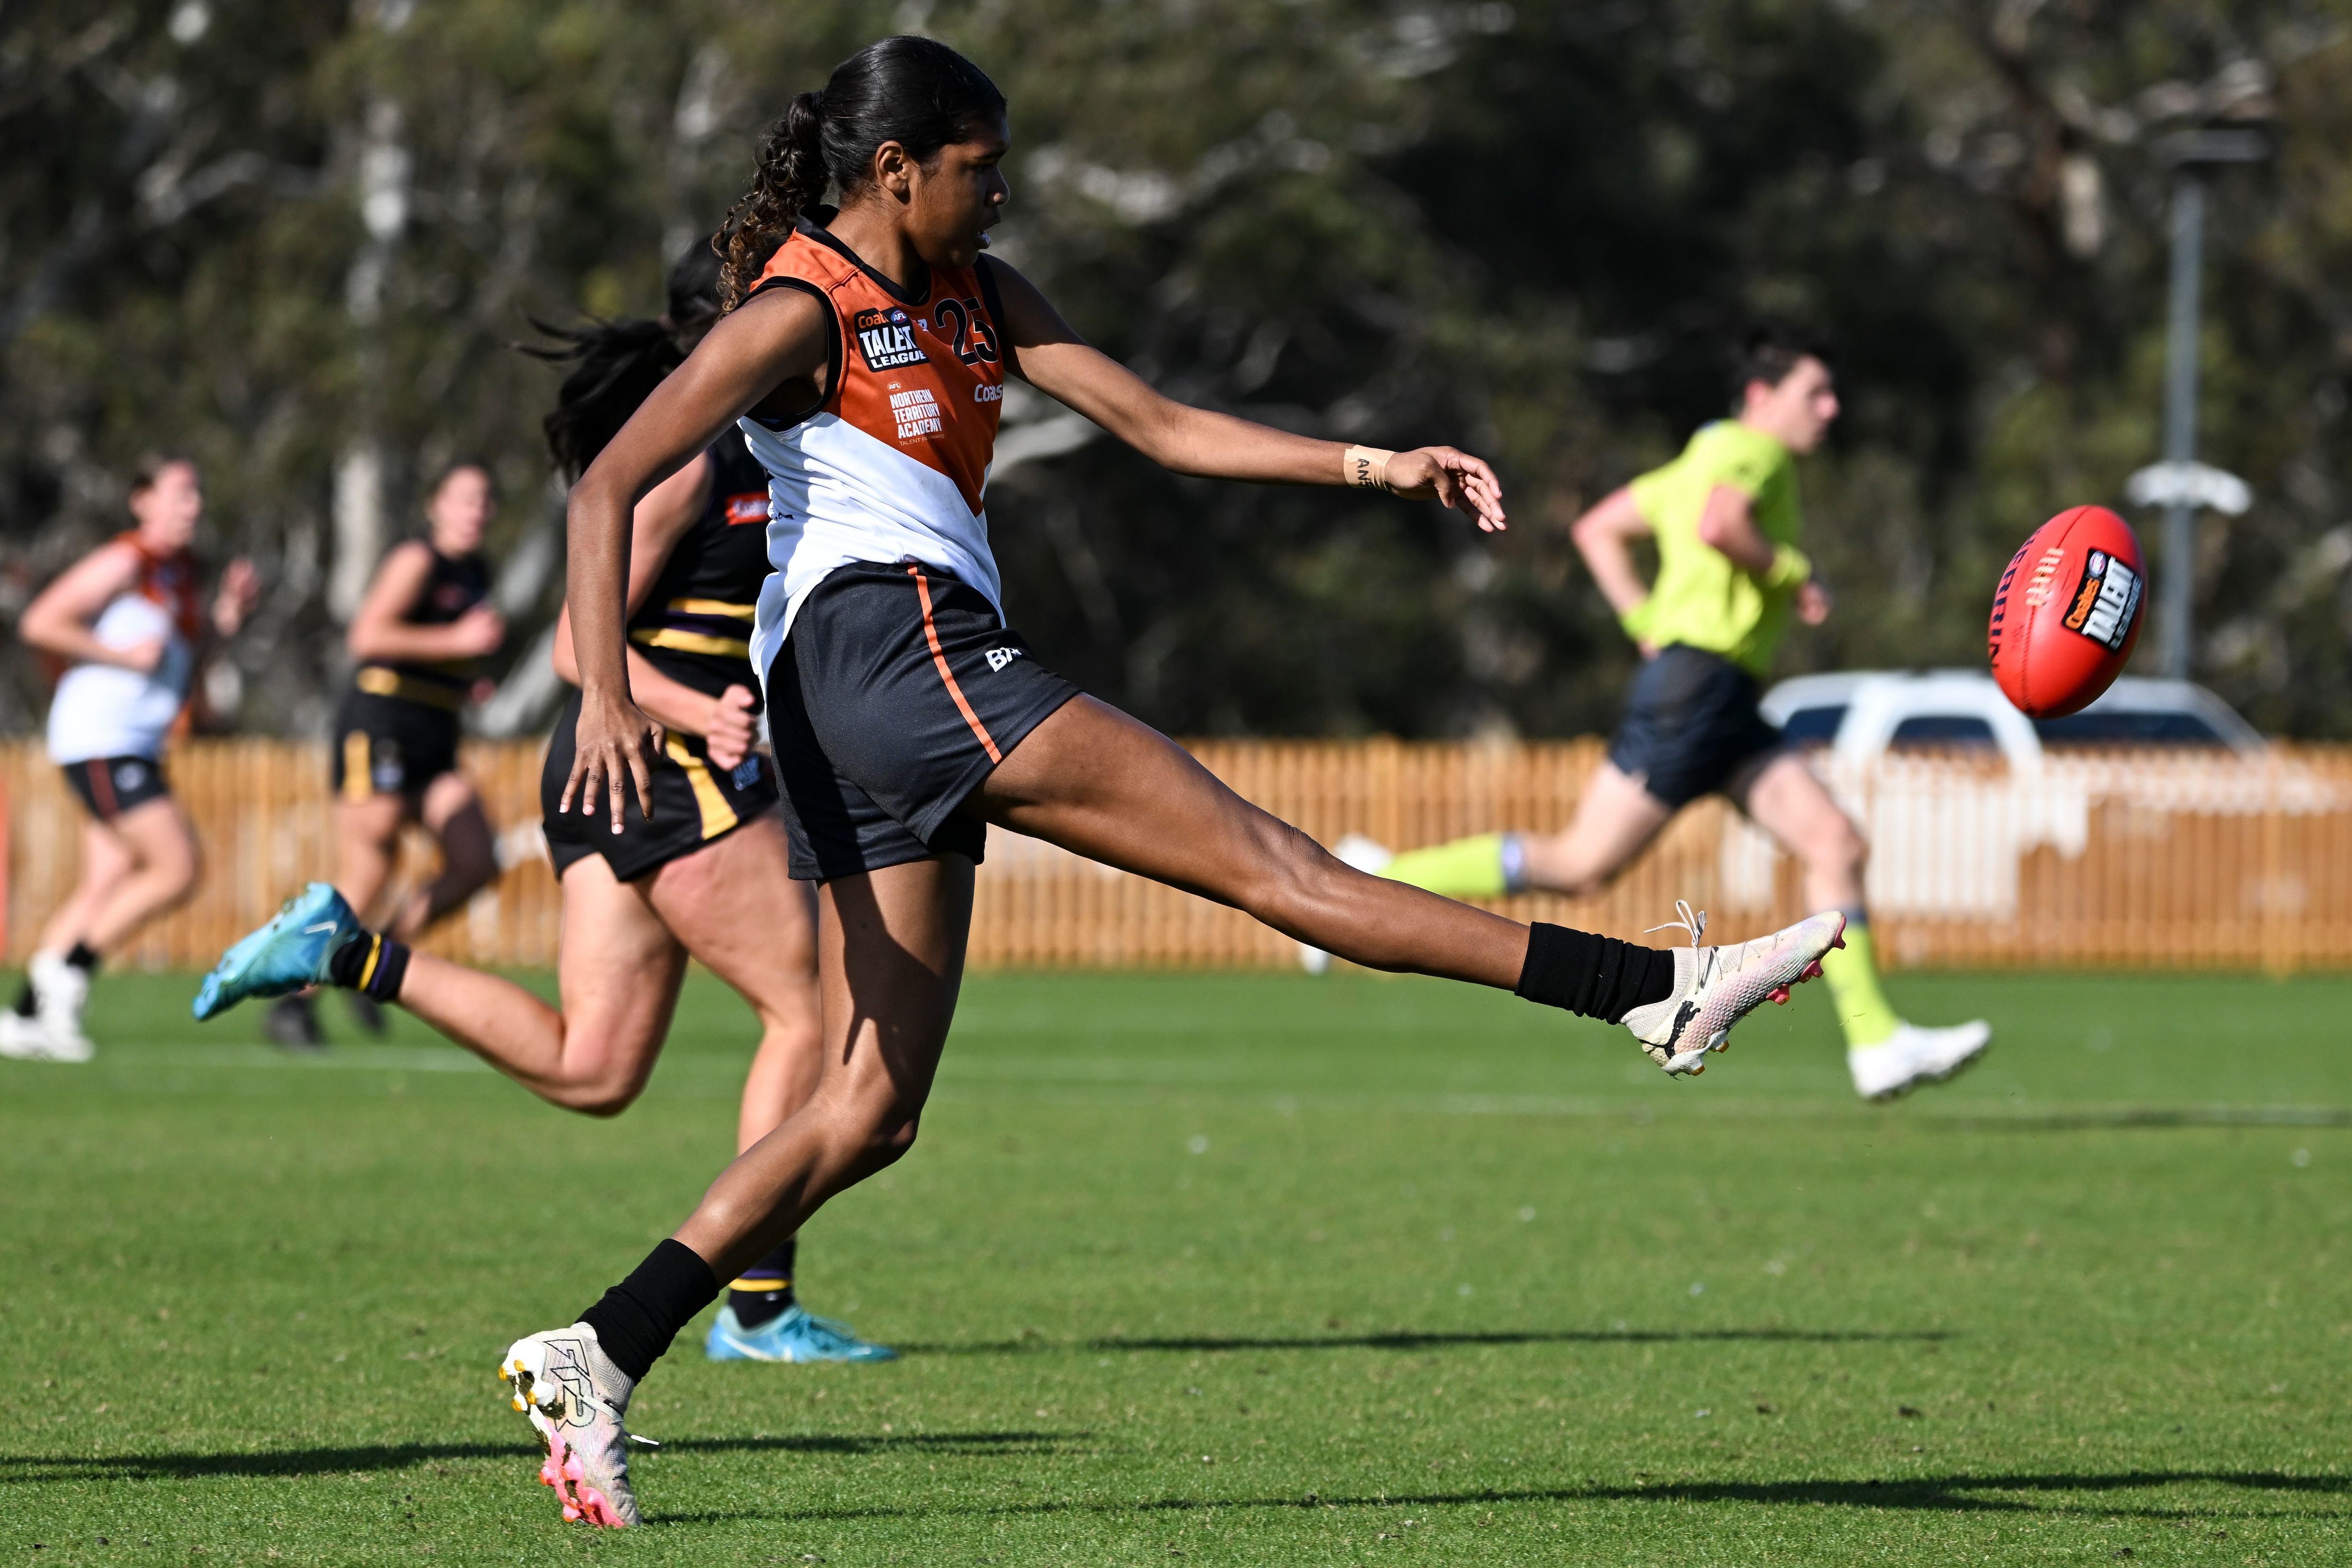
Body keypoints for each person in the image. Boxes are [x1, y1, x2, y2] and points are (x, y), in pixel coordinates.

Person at [251, 39, 1841, 1527]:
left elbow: (1161, 425)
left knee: (869, 1108)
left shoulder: (982, 291)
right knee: (1293, 881)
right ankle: (1658, 989)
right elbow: (608, 485)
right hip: (896, 655)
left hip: (860, 703)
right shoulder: (806, 308)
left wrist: (1379, 465)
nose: (998, 191)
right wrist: (602, 687)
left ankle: (600, 1347)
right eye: (975, 165)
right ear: (892, 171)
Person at [194, 247, 893, 1365]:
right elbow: (579, 641)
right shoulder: (687, 464)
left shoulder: (757, 449)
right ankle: (759, 1307)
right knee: (806, 1016)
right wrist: (698, 710)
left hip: (612, 774)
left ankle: (347, 952)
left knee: (595, 1069)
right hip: (658, 763)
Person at [1350, 326, 1992, 1103]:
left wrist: (1642, 625)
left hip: (1714, 690)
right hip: (1701, 687)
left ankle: (1876, 1039)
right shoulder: (1757, 452)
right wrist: (1792, 571)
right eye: (1813, 393)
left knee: (1834, 839)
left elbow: (1599, 530)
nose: (1830, 408)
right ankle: (1374, 881)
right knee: (1580, 864)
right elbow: (1723, 526)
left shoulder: (1697, 457)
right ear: (1762, 397)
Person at [2, 455, 257, 1061]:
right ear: (141, 501)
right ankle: (68, 976)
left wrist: (228, 618)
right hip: (100, 740)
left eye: (196, 495)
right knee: (177, 867)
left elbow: (184, 663)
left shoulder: (180, 574)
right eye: (179, 494)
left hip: (135, 744)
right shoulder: (126, 560)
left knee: (104, 885)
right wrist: (118, 659)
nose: (191, 506)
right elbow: (41, 622)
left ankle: (24, 1016)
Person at [263, 462, 506, 1047]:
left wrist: (464, 678)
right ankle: (292, 1002)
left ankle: (373, 965)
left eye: (483, 501)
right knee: (370, 869)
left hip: (435, 730)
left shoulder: (475, 570)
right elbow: (368, 636)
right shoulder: (415, 560)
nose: (474, 511)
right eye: (462, 500)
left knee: (476, 861)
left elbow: (439, 648)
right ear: (435, 506)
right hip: (382, 722)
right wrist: (456, 644)